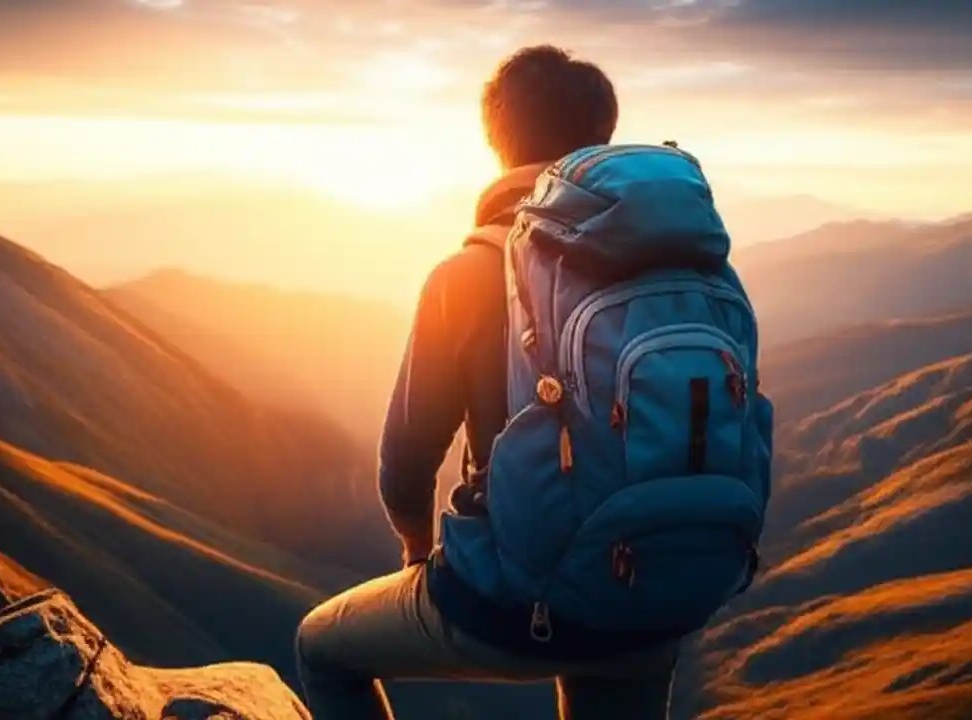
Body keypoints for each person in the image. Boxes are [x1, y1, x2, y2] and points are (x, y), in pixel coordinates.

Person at [297, 44, 771, 720]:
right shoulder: (675, 273)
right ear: (602, 135)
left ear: (496, 139)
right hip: (648, 597)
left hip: (507, 603)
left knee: (321, 649)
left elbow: (404, 465)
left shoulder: (465, 274)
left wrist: (416, 547)